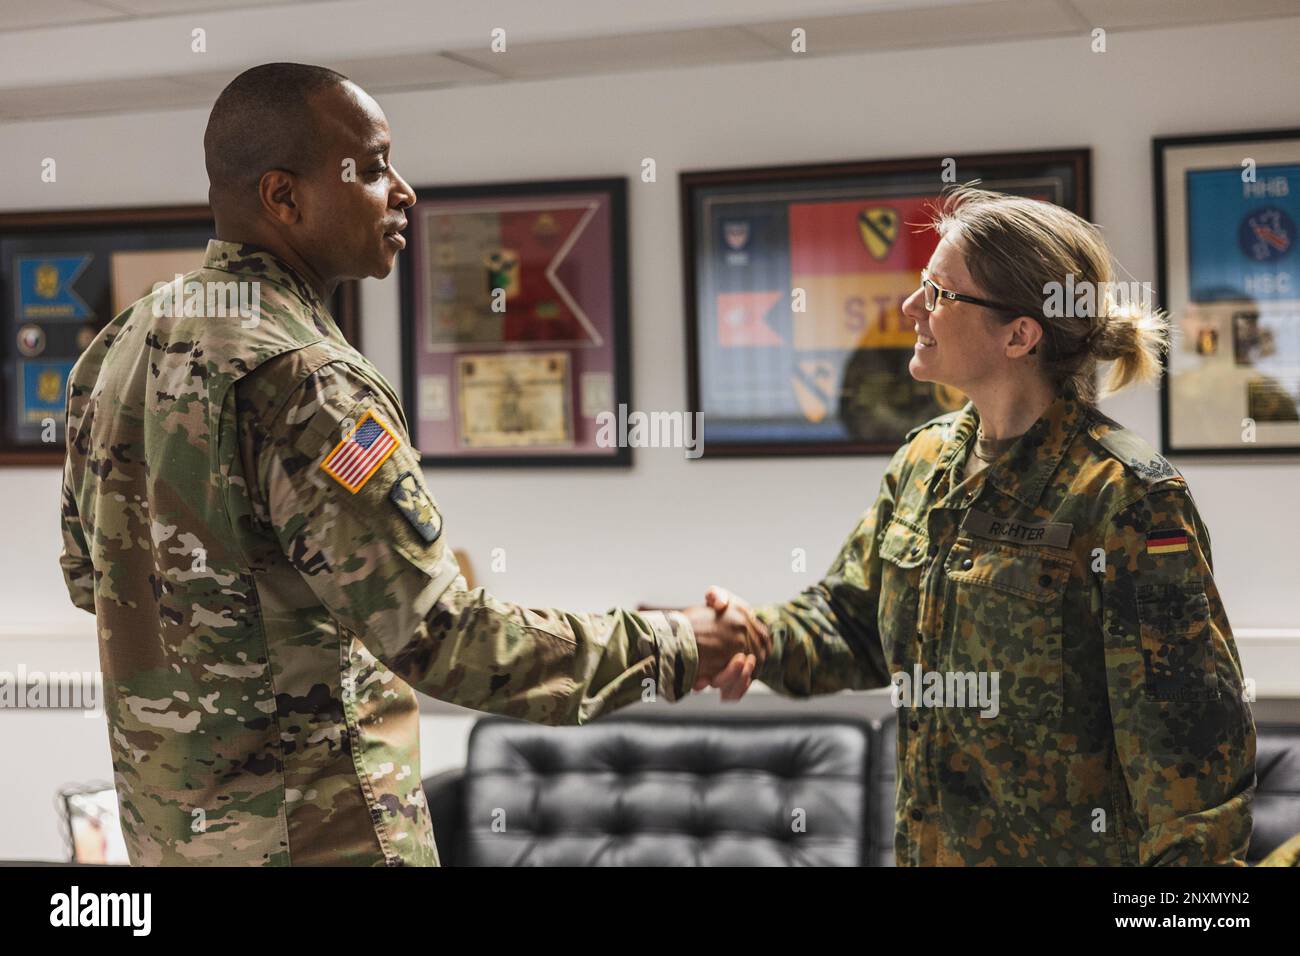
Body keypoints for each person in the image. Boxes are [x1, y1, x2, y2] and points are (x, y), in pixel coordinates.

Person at [58, 63, 766, 867]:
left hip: (170, 845)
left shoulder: (117, 349)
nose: (404, 192)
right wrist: (673, 644)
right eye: (373, 166)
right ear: (284, 198)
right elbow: (444, 639)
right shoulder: (308, 382)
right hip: (322, 843)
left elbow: (91, 580)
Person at [702, 186, 1256, 865]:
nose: (910, 308)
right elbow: (850, 623)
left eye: (939, 294)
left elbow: (1193, 779)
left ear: (1020, 334)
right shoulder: (924, 460)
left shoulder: (1125, 498)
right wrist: (750, 638)